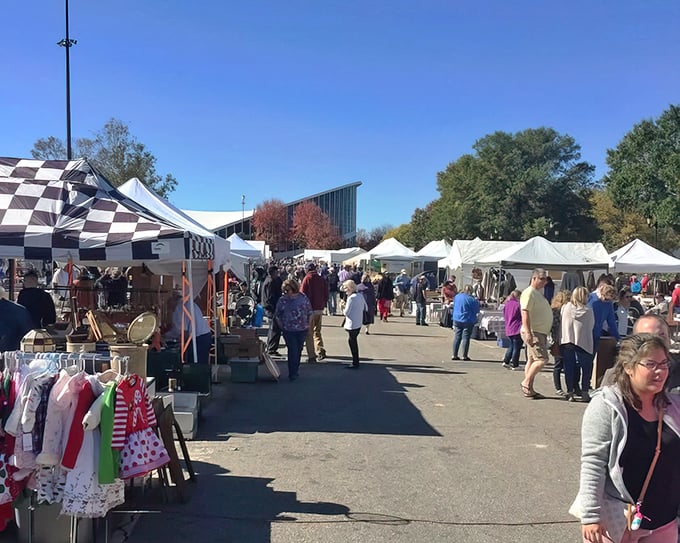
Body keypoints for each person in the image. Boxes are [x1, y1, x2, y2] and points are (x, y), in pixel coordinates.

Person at [572, 334, 680, 543]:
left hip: (664, 522)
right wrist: (591, 516)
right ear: (629, 367)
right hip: (617, 520)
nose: (660, 371)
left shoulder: (673, 406)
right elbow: (593, 463)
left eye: (664, 364)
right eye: (651, 364)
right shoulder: (607, 405)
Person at [520, 268, 553, 399]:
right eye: (542, 278)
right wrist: (528, 332)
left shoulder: (537, 293)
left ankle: (529, 388)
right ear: (534, 278)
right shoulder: (529, 293)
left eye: (545, 279)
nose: (544, 282)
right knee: (542, 359)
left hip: (540, 331)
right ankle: (526, 382)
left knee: (532, 359)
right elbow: (525, 312)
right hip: (534, 331)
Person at [560, 287, 595, 402]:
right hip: (584, 342)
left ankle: (570, 392)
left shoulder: (566, 308)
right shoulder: (588, 310)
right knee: (586, 368)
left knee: (569, 368)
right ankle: (584, 392)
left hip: (568, 340)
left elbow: (562, 323)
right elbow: (591, 326)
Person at [274, 279, 312, 381]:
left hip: (302, 328)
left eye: (288, 290)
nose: (287, 292)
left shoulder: (303, 297)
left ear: (294, 288)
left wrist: (308, 325)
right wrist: (281, 326)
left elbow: (309, 312)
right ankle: (292, 372)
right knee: (293, 350)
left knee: (299, 349)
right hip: (288, 329)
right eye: (285, 290)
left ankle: (296, 368)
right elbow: (277, 315)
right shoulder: (283, 300)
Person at [165, 292, 212, 364]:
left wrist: (166, 335)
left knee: (194, 365)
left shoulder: (179, 307)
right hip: (206, 335)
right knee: (202, 364)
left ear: (173, 301)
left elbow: (180, 330)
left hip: (197, 339)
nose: (170, 309)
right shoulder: (190, 303)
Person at [300, 262, 328, 362]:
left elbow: (302, 294)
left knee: (309, 333)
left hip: (310, 309)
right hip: (319, 309)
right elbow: (326, 293)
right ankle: (320, 349)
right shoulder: (321, 278)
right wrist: (324, 304)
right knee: (317, 331)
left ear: (307, 269)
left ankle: (312, 355)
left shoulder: (307, 278)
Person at [342, 280, 367, 369]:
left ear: (349, 288)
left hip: (352, 323)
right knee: (353, 341)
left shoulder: (351, 298)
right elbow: (365, 308)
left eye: (345, 288)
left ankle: (355, 362)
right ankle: (355, 361)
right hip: (358, 322)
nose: (344, 290)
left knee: (352, 342)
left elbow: (346, 312)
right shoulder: (360, 295)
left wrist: (343, 307)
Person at [550, 290, 571, 396]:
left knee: (560, 364)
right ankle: (558, 387)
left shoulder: (554, 309)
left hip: (559, 339)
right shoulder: (557, 311)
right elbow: (555, 326)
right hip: (559, 339)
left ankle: (559, 387)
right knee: (559, 364)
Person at [588, 283, 621, 349]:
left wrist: (617, 338)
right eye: (606, 299)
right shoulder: (590, 298)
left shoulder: (609, 304)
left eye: (610, 300)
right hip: (586, 333)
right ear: (601, 294)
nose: (607, 301)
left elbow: (612, 322)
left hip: (596, 335)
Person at [451, 285, 479, 361]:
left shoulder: (457, 297)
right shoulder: (472, 299)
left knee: (457, 336)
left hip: (457, 318)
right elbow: (477, 310)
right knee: (466, 337)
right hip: (468, 319)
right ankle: (464, 355)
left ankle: (454, 354)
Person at [262, 266, 283, 357]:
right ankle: (271, 348)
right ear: (273, 272)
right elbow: (270, 297)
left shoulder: (268, 281)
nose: (277, 274)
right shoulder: (270, 282)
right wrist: (276, 307)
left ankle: (271, 348)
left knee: (273, 328)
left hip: (269, 307)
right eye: (276, 272)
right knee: (275, 329)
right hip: (271, 308)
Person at [501, 290, 523, 370]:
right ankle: (515, 364)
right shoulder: (518, 305)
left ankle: (506, 361)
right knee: (517, 347)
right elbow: (522, 315)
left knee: (511, 346)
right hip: (517, 327)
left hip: (509, 327)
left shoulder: (506, 304)